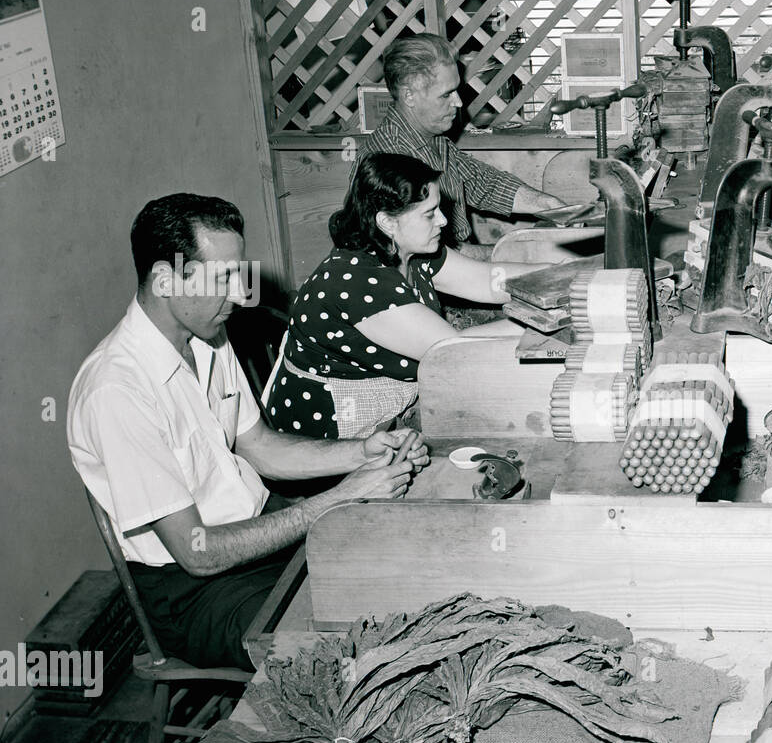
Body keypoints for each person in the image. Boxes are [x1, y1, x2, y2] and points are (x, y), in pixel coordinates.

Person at [68, 194, 430, 671]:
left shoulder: (209, 338)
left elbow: (260, 446)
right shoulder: (115, 391)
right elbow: (198, 552)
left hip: (258, 536)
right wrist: (335, 501)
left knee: (401, 569)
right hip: (193, 590)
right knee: (347, 652)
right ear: (163, 279)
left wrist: (360, 454)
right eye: (223, 278)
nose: (240, 294)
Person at [265, 153, 540, 440]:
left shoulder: (408, 252)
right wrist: (544, 320)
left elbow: (488, 281)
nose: (444, 221)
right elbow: (453, 352)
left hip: (389, 414)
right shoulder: (358, 282)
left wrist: (564, 276)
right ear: (387, 222)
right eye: (430, 213)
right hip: (330, 440)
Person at [358, 34, 567, 260]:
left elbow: (482, 182)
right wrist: (521, 253)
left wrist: (550, 205)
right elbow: (434, 259)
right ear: (409, 96)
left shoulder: (432, 138)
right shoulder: (390, 160)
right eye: (446, 94)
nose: (458, 102)